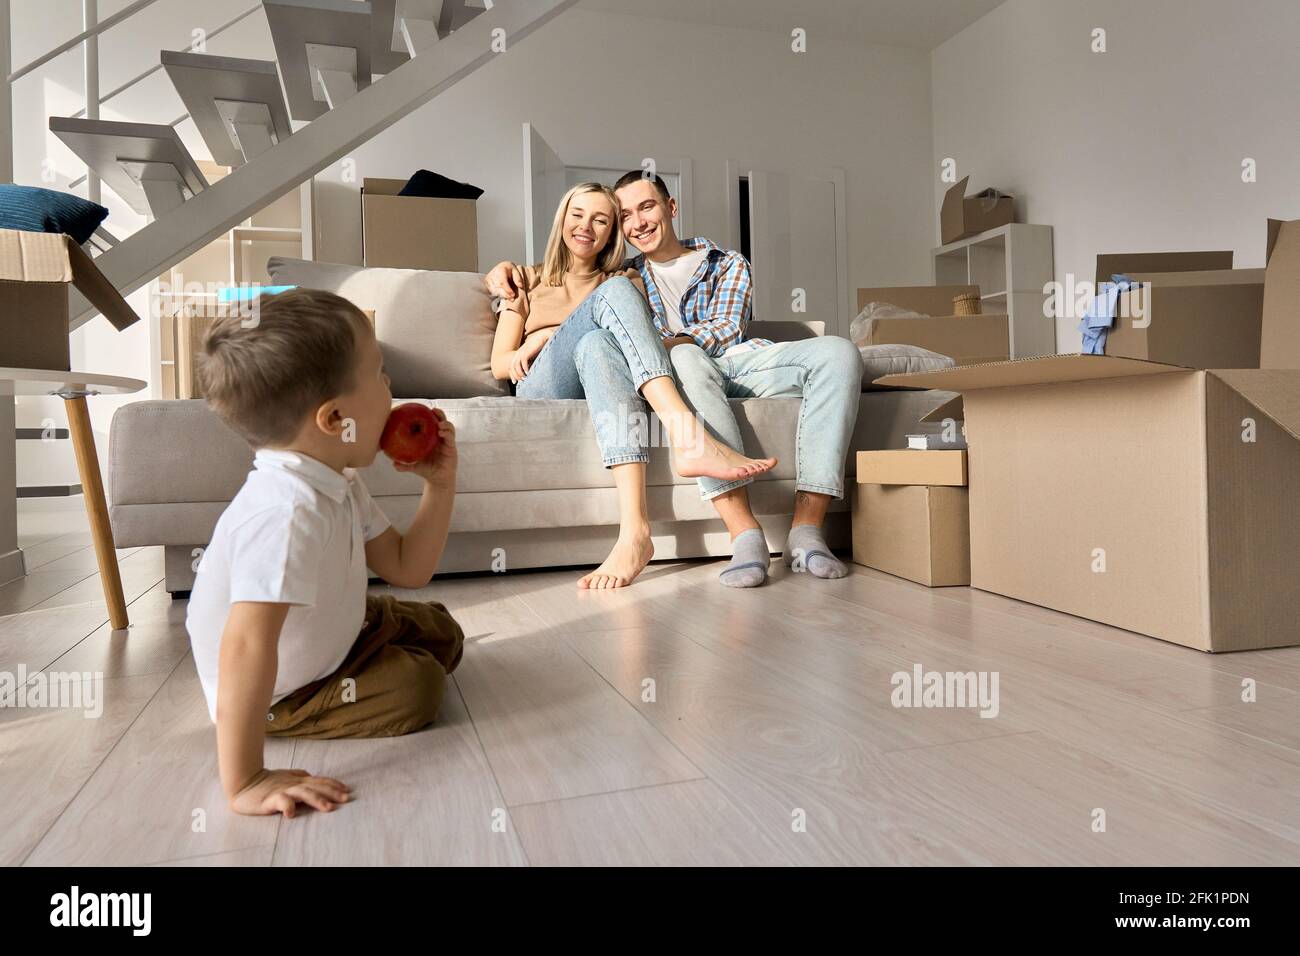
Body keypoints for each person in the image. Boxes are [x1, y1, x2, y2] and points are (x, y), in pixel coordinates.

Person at [486, 173, 862, 589]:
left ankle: (646, 533)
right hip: (555, 380)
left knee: (600, 339)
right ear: (561, 220)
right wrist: (538, 332)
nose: (589, 226)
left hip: (707, 360)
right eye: (582, 215)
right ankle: (697, 455)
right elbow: (501, 363)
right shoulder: (530, 279)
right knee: (656, 344)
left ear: (668, 208)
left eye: (605, 219)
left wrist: (650, 337)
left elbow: (717, 330)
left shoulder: (641, 277)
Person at [187, 287, 462, 818]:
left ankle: (362, 659)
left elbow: (408, 568)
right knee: (418, 686)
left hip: (335, 635)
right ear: (336, 420)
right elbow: (245, 645)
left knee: (441, 630)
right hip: (284, 690)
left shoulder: (335, 478)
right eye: (379, 374)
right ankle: (285, 721)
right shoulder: (285, 513)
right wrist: (246, 779)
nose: (390, 388)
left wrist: (440, 485)